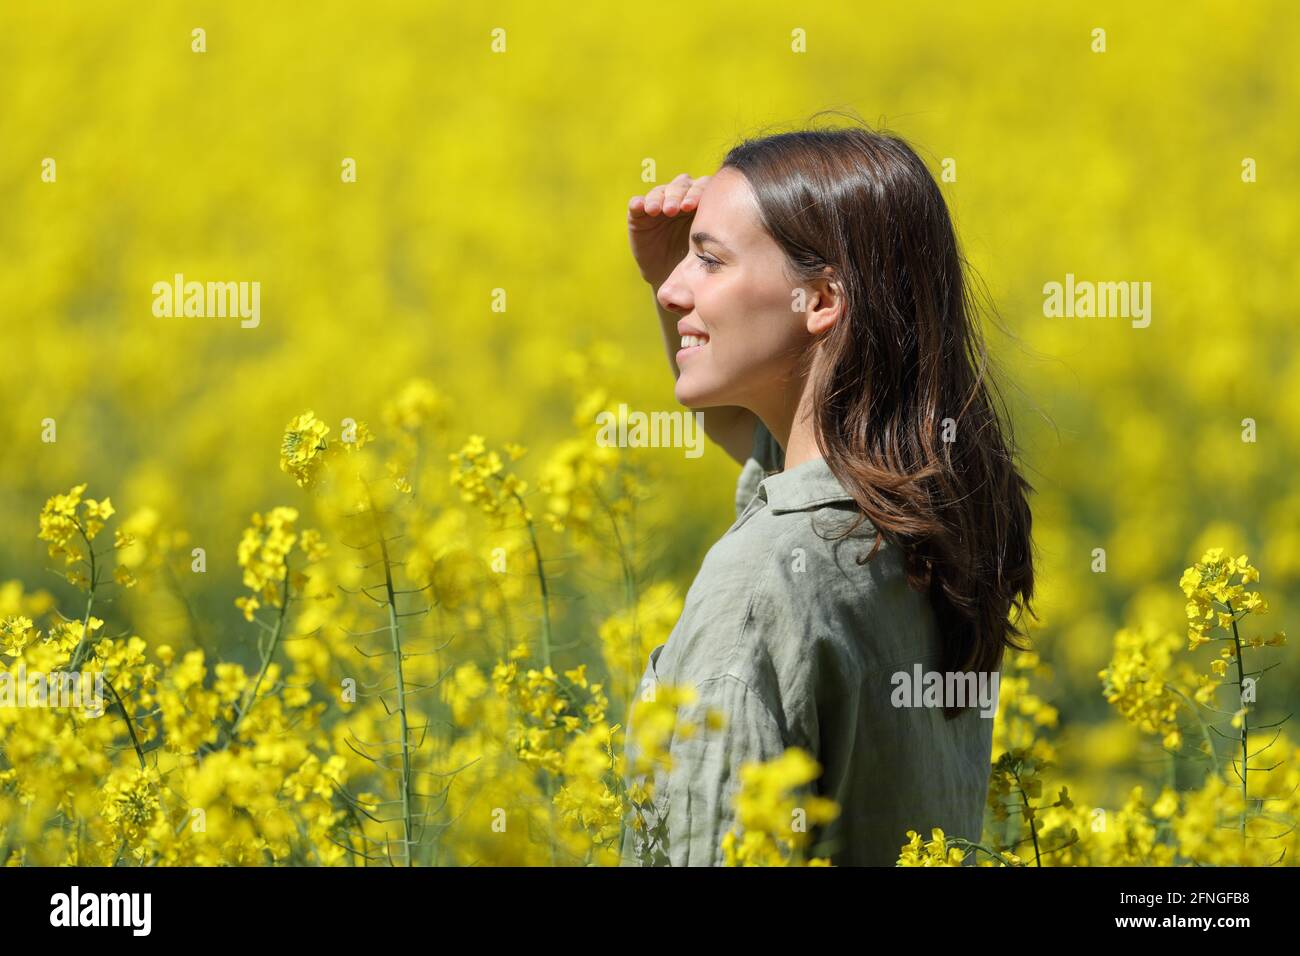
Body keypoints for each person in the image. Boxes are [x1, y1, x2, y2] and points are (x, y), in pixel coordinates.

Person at [618, 118, 1036, 866]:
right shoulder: (927, 525)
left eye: (708, 262)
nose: (678, 288)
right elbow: (757, 440)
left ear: (818, 303)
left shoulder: (759, 586)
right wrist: (671, 282)